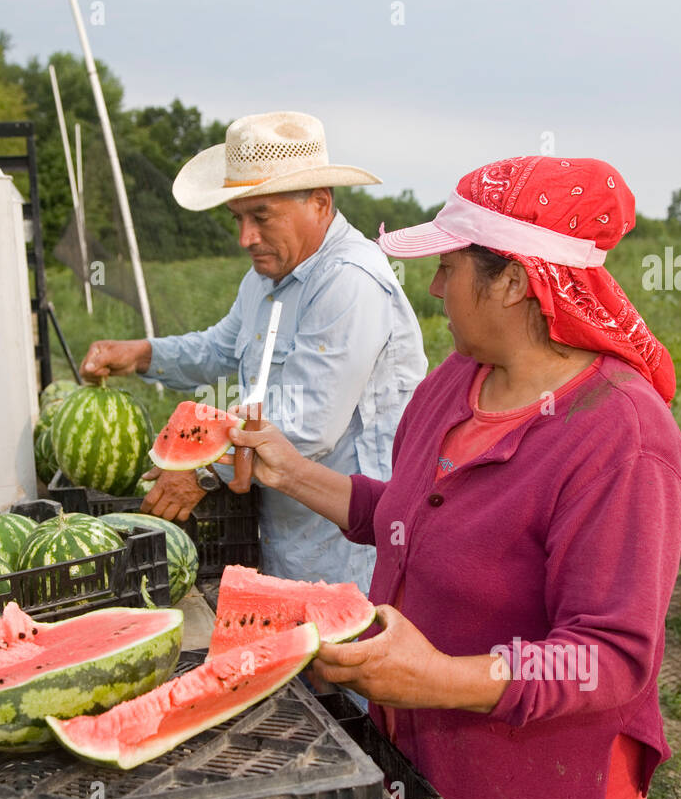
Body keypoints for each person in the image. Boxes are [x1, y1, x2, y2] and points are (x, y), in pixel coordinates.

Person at [225, 156, 681, 799]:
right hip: (420, 756)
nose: (435, 288)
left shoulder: (621, 439)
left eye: (449, 268)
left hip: (537, 794)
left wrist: (439, 678)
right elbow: (404, 519)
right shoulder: (455, 381)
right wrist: (289, 469)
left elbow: (610, 657)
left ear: (513, 281)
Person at [79, 112, 427, 589]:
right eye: (238, 218)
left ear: (320, 204)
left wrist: (201, 470)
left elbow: (307, 422)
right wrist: (141, 354)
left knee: (341, 654)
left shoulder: (348, 282)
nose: (246, 238)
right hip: (284, 529)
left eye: (261, 217)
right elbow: (222, 347)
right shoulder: (267, 276)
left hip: (349, 544)